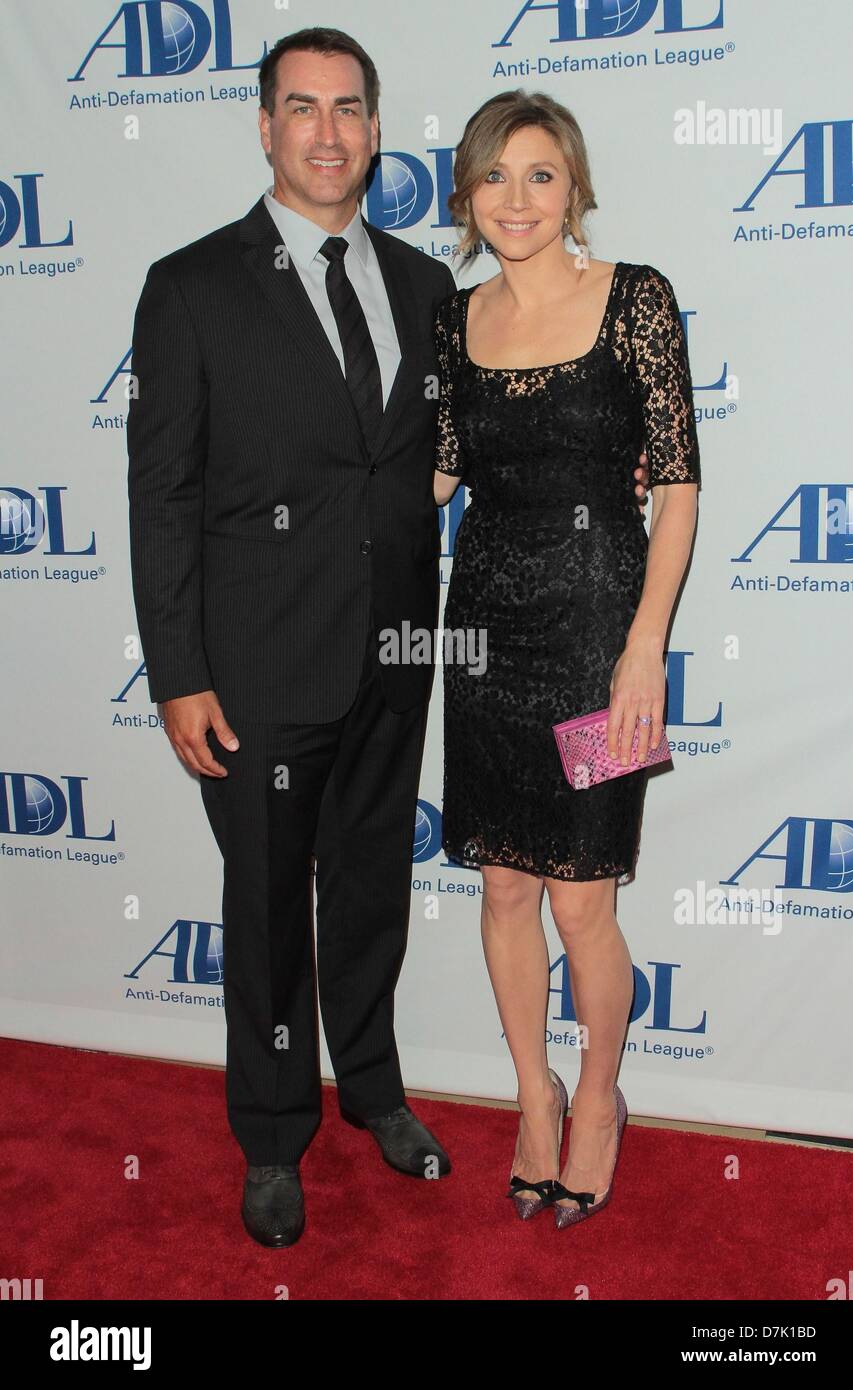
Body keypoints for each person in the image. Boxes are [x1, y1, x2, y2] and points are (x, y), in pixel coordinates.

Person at [127, 26, 650, 1249]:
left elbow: (448, 460)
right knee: (264, 909)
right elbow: (161, 497)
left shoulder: (429, 290)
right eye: (300, 107)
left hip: (405, 659)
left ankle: (369, 1089)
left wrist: (591, 461)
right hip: (254, 670)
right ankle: (269, 1135)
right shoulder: (190, 285)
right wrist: (179, 672)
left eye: (349, 107)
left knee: (367, 891)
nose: (326, 131)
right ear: (264, 126)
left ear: (374, 128)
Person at [433, 90, 700, 1229]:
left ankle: (597, 1097)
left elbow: (677, 486)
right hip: (482, 632)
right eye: (494, 176)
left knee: (582, 903)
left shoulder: (633, 298)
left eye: (539, 175)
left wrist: (642, 652)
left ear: (573, 186)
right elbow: (430, 482)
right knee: (500, 885)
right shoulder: (450, 322)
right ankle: (529, 1097)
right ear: (466, 194)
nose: (517, 199)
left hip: (597, 640)